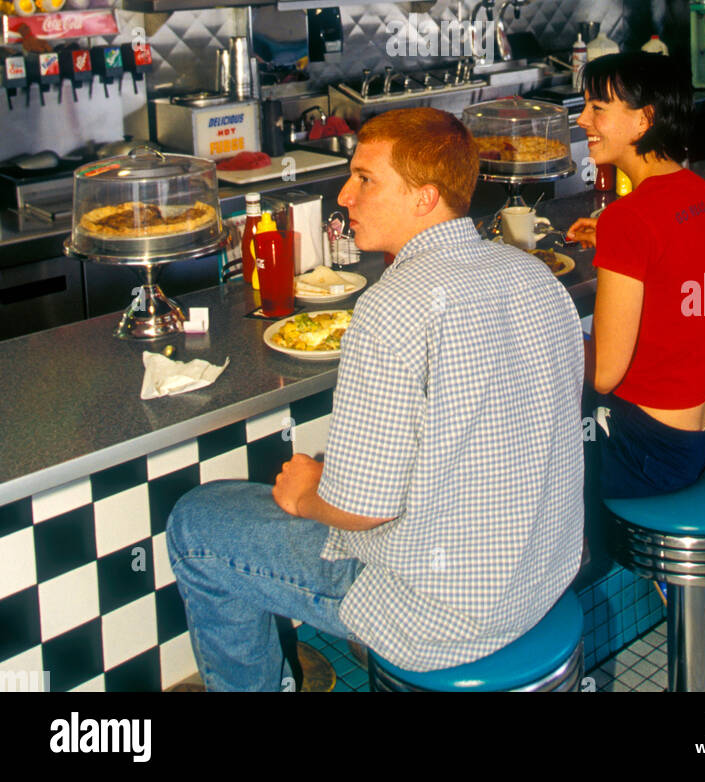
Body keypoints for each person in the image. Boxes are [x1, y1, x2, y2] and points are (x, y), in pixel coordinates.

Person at [166, 107, 584, 690]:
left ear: (424, 198)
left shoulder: (394, 306)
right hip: (542, 577)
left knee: (198, 524)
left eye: (365, 179)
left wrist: (308, 495)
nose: (344, 195)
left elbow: (366, 511)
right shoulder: (533, 275)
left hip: (441, 616)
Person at [566, 52, 705, 499]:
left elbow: (604, 374)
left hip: (649, 451)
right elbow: (675, 270)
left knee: (516, 444)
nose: (583, 120)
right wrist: (620, 245)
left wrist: (543, 332)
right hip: (704, 435)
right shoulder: (703, 194)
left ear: (644, 120)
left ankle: (576, 557)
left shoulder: (629, 220)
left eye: (597, 109)